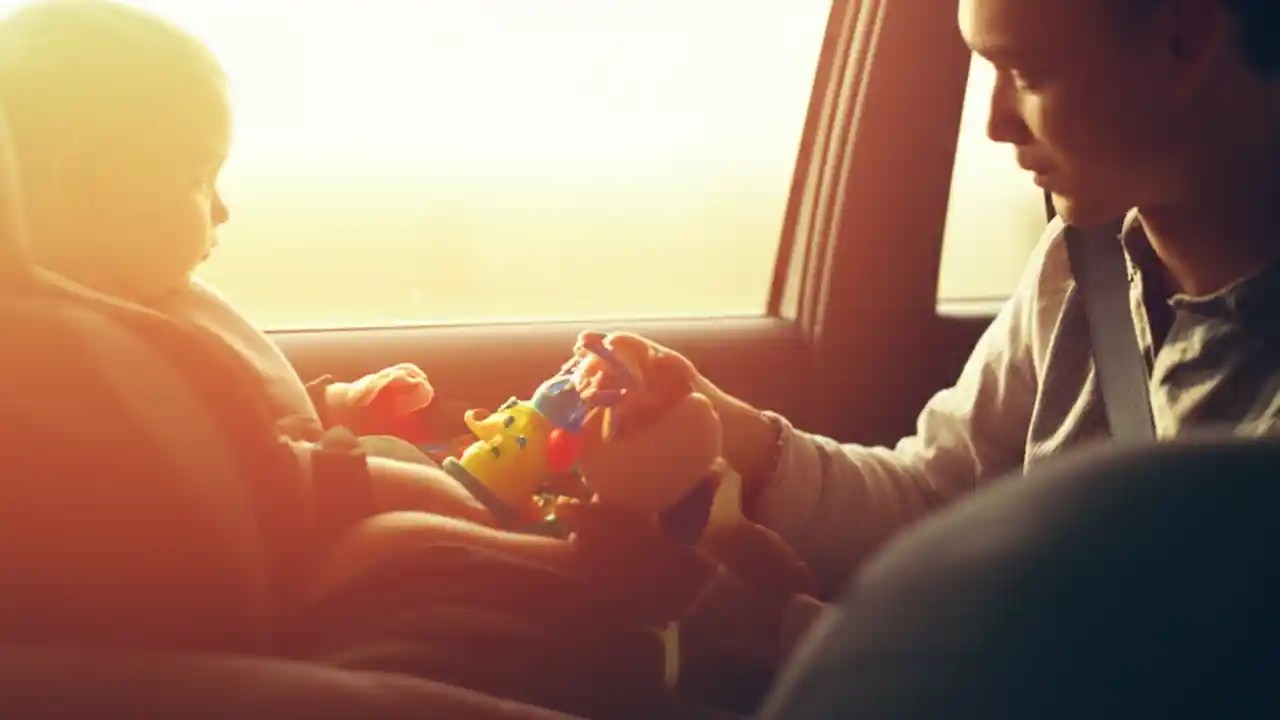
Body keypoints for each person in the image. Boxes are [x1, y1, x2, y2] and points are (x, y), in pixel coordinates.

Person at [585, 0, 1280, 703]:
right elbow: (938, 504)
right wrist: (743, 439)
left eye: (1026, 74)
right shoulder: (1083, 267)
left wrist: (770, 633)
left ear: (1183, 45)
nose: (995, 122)